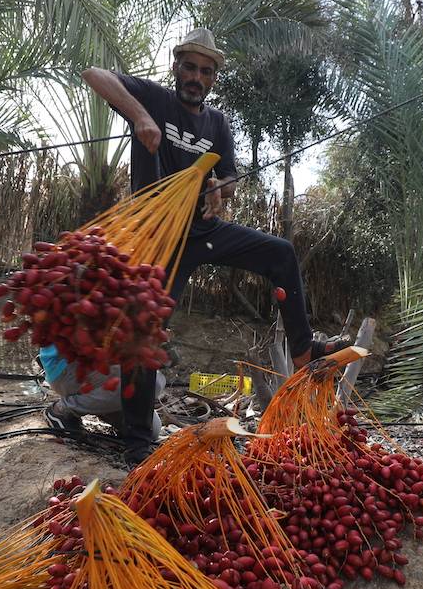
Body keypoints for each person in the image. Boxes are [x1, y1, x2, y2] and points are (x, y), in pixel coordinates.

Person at [80, 27, 347, 466]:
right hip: (158, 241)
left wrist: (219, 191)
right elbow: (94, 73)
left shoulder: (217, 123)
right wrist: (140, 117)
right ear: (176, 67)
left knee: (280, 253)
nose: (197, 77)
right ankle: (136, 442)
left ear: (213, 79)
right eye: (190, 67)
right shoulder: (154, 100)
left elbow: (229, 179)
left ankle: (306, 351)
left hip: (202, 234)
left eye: (206, 71)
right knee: (143, 334)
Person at [38, 345, 167, 438]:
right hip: (68, 365)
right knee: (151, 381)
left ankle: (100, 401)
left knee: (150, 431)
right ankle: (61, 409)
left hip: (99, 360)